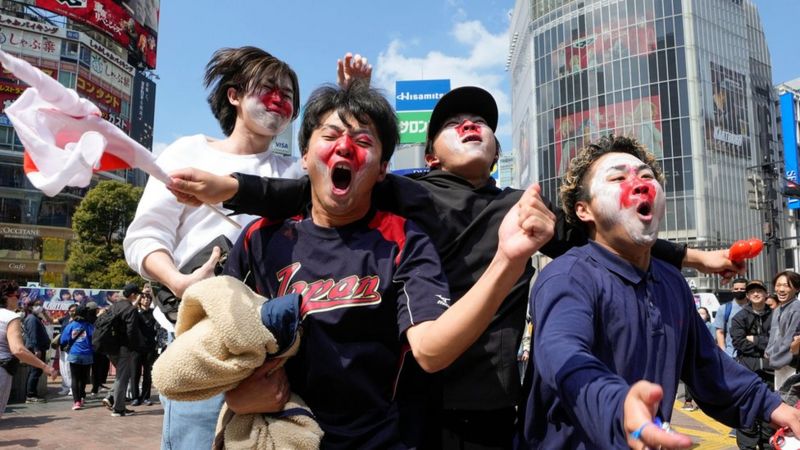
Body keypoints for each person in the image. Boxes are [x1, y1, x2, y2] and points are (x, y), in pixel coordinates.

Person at [167, 86, 740, 449]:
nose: (471, 123)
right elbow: (312, 190)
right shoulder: (403, 195)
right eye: (454, 120)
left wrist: (695, 256)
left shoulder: (526, 210)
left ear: (496, 150)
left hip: (491, 401)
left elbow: (614, 228)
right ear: (430, 154)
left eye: (482, 121)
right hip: (409, 400)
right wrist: (233, 186)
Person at [221, 80, 552, 448]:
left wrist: (508, 258)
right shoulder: (261, 240)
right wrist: (234, 394)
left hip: (434, 420)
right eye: (330, 135)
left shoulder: (409, 238)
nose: (345, 147)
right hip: (285, 433)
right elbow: (212, 347)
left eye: (363, 142)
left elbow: (429, 349)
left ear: (382, 169)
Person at [123, 47, 371, 449]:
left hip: (270, 350)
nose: (280, 99)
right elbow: (144, 236)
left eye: (289, 93)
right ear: (234, 95)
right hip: (204, 342)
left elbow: (346, 182)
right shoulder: (190, 150)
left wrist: (350, 101)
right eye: (269, 87)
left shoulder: (294, 171)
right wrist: (178, 280)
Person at [519, 135, 800, 449]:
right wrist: (618, 406)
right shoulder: (568, 276)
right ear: (584, 210)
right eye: (618, 178)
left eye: (647, 176)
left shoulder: (671, 282)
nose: (639, 184)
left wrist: (776, 408)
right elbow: (562, 353)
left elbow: (710, 368)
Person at [1, 280, 56, 418]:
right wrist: (45, 366)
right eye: (17, 296)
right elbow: (18, 349)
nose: (18, 300)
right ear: (8, 297)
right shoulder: (10, 317)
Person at [730, 279, 775, 449]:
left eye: (759, 291)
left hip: (771, 372)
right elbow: (739, 343)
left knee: (769, 408)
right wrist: (764, 349)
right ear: (748, 296)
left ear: (766, 294)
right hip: (748, 371)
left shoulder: (775, 315)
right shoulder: (739, 317)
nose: (756, 294)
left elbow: (777, 342)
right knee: (747, 410)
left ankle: (767, 443)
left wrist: (756, 339)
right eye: (752, 292)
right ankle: (747, 446)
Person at [103, 283, 145, 417]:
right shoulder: (130, 309)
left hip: (110, 346)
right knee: (122, 377)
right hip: (124, 347)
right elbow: (131, 331)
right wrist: (134, 347)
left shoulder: (115, 306)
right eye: (137, 294)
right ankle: (118, 408)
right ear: (133, 295)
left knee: (120, 375)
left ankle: (114, 400)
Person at [766, 271, 800, 391]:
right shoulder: (778, 309)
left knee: (791, 402)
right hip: (780, 363)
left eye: (786, 285)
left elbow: (790, 338)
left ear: (796, 288)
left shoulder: (796, 308)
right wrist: (770, 352)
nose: (781, 289)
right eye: (778, 285)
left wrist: (775, 358)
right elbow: (774, 335)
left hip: (791, 364)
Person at [60, 305, 94, 411]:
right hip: (87, 355)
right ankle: (82, 396)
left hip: (74, 354)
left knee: (75, 378)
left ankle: (77, 401)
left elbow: (63, 340)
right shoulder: (89, 326)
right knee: (84, 378)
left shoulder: (71, 325)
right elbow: (94, 339)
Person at [130, 292, 157, 406]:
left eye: (148, 299)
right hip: (136, 347)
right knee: (135, 373)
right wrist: (138, 297)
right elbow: (130, 309)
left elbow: (159, 307)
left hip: (150, 347)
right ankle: (135, 397)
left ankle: (145, 397)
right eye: (144, 298)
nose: (146, 300)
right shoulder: (135, 312)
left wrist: (152, 293)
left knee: (147, 374)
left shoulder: (153, 313)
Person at [23, 299, 50, 403]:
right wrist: (36, 349)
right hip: (35, 349)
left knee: (35, 371)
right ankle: (30, 395)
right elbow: (33, 336)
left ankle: (32, 394)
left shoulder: (35, 318)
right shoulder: (32, 319)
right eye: (37, 305)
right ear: (30, 307)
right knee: (35, 371)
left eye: (40, 304)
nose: (40, 307)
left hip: (38, 348)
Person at [714, 277, 749, 357]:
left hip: (751, 355)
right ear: (732, 289)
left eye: (742, 289)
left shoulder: (753, 307)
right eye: (736, 289)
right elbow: (720, 332)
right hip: (731, 354)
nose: (739, 291)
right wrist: (723, 352)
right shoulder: (724, 309)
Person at [57, 303, 77, 396]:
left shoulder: (78, 321)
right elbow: (53, 320)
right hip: (62, 347)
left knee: (69, 369)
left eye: (74, 310)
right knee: (63, 368)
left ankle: (73, 388)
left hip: (71, 347)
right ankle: (65, 387)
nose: (72, 312)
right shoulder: (65, 318)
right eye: (71, 310)